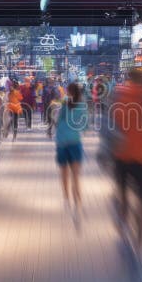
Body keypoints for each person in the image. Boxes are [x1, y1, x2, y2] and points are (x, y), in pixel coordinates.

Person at [110, 69, 142, 250]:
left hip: (121, 154)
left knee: (122, 192)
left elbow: (110, 124)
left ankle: (122, 220)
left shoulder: (118, 95)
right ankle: (140, 232)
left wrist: (107, 149)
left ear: (128, 79)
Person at [54, 82, 87, 211]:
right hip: (75, 141)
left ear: (68, 91)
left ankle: (66, 199)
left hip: (62, 141)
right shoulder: (82, 106)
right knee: (76, 175)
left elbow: (58, 120)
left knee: (64, 173)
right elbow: (84, 126)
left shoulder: (64, 104)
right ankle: (78, 200)